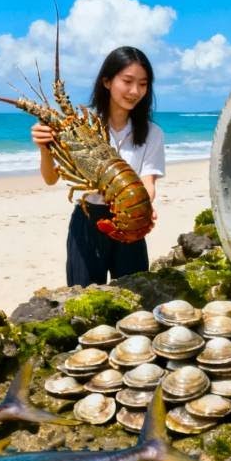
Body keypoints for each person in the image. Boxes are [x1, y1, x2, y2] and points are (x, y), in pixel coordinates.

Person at [31, 46, 165, 287]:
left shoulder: (152, 133)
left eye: (143, 84)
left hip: (130, 222)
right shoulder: (85, 123)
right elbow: (51, 179)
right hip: (87, 223)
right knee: (84, 298)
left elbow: (148, 182)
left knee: (135, 299)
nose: (135, 91)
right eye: (127, 81)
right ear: (106, 81)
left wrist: (142, 209)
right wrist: (45, 147)